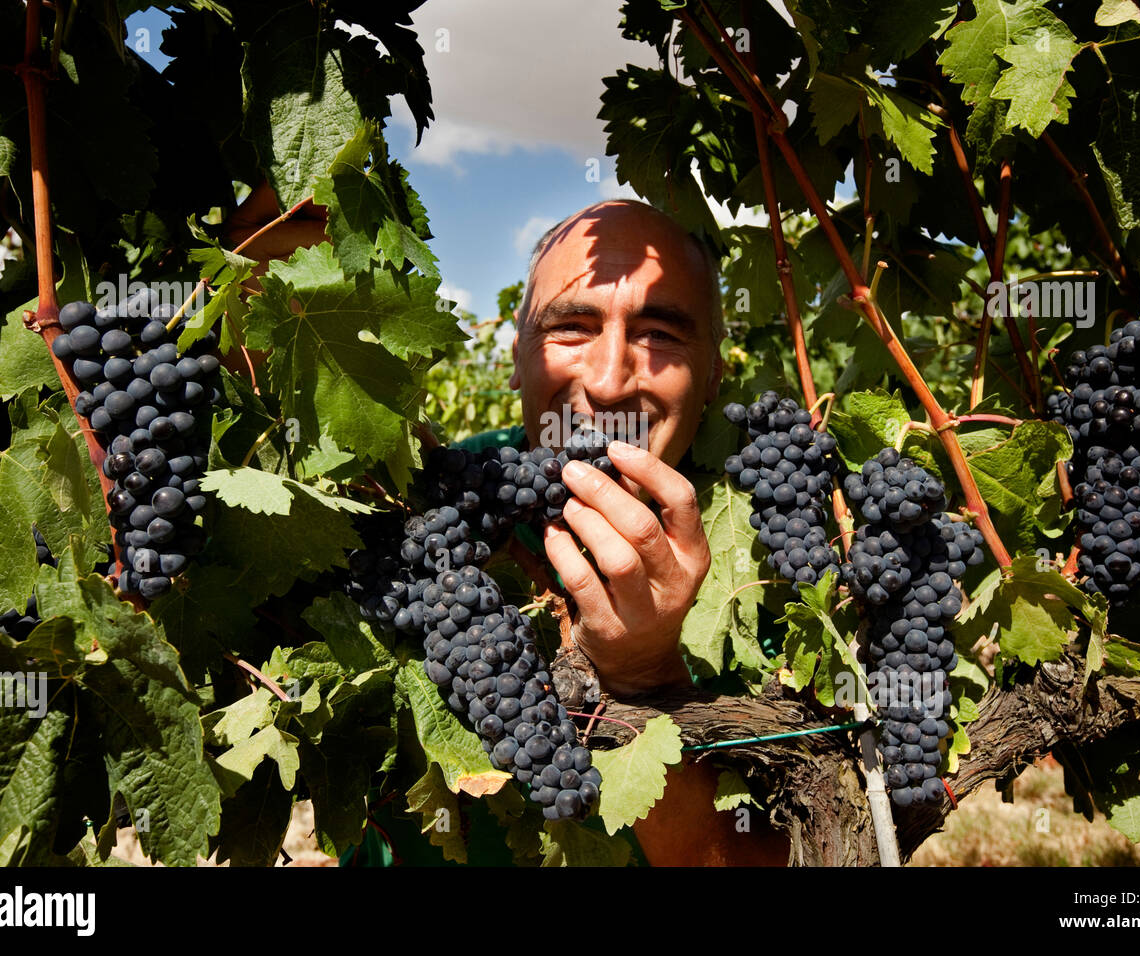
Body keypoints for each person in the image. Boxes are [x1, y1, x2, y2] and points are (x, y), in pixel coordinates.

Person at [229, 187, 790, 865]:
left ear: (713, 376)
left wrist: (644, 681)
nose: (610, 382)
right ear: (518, 355)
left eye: (660, 333)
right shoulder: (420, 493)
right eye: (571, 328)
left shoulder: (780, 564)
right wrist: (253, 264)